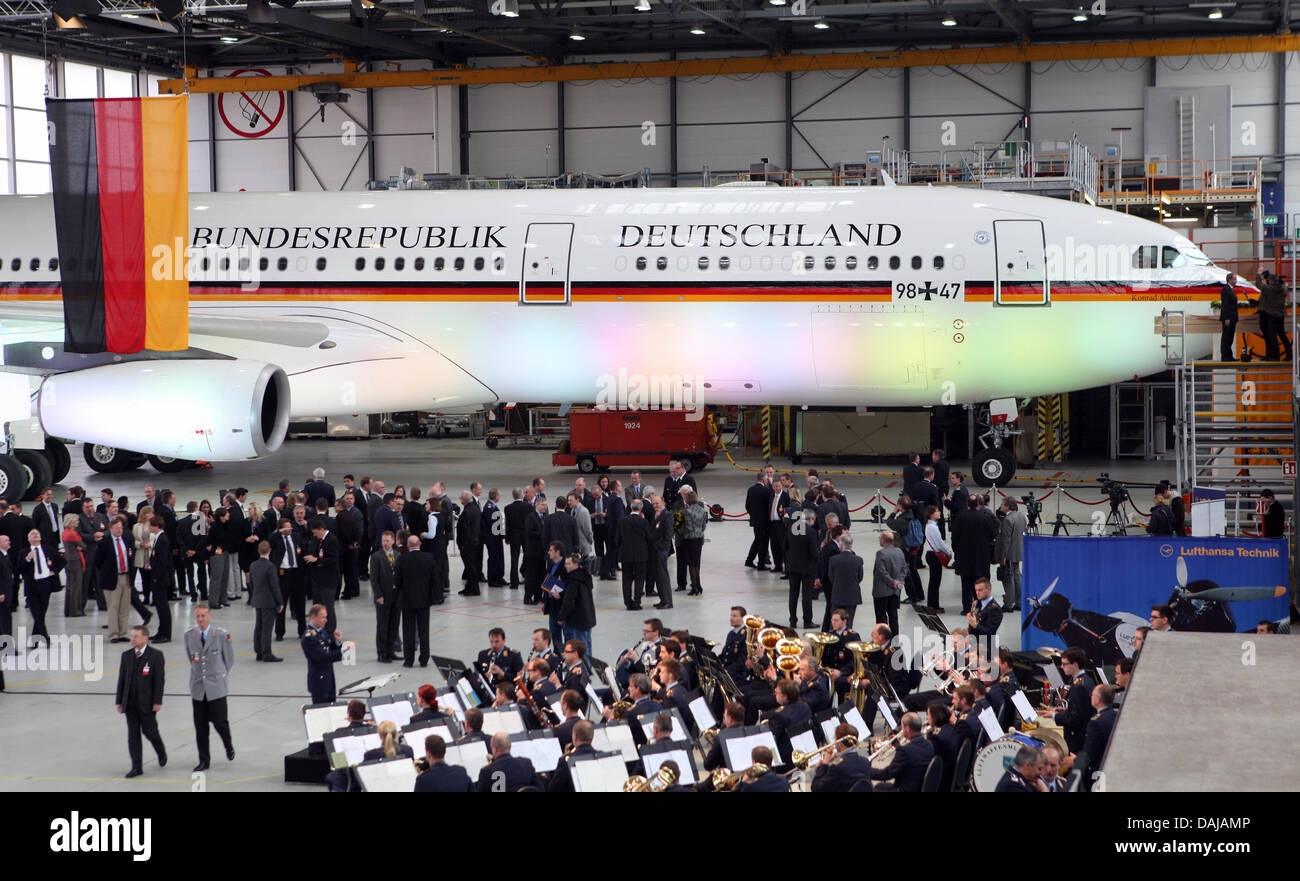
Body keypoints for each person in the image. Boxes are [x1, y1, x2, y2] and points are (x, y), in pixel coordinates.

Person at [182, 604, 237, 771]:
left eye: (203, 616)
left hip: (216, 687)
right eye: (197, 616)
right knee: (200, 726)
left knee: (220, 722)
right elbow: (191, 659)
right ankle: (204, 760)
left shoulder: (221, 635)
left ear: (209, 616)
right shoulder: (189, 636)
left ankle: (228, 745)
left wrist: (218, 675)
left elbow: (229, 659)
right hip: (199, 687)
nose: (200, 619)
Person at [116, 625, 167, 778]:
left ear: (145, 638)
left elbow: (159, 681)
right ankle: (137, 766)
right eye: (132, 636)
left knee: (150, 731)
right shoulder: (126, 656)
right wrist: (119, 701)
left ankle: (160, 750)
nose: (133, 639)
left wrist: (157, 701)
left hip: (147, 703)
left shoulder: (156, 656)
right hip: (130, 703)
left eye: (136, 636)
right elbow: (122, 680)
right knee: (133, 735)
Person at [396, 534, 437, 667]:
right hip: (424, 600)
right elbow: (434, 580)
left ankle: (409, 660)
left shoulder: (402, 559)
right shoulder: (429, 558)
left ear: (407, 546)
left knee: (408, 632)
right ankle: (424, 659)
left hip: (407, 601)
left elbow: (398, 581)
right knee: (424, 631)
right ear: (420, 544)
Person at [20, 527, 64, 648]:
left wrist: (54, 571)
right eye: (32, 534)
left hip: (45, 584)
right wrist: (27, 559)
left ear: (40, 537)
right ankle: (46, 637)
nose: (35, 535)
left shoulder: (48, 549)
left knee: (41, 613)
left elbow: (62, 561)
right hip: (32, 586)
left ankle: (36, 639)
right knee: (36, 613)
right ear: (28, 539)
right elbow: (19, 569)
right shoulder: (24, 552)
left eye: (37, 533)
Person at [869, 712, 935, 792]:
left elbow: (888, 774)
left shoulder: (905, 750)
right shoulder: (929, 745)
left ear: (907, 728)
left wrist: (867, 770)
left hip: (906, 788)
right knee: (882, 786)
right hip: (920, 787)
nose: (901, 730)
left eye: (902, 727)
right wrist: (897, 746)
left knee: (878, 787)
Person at [951, 498, 996, 613]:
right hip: (982, 556)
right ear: (978, 504)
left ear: (967, 504)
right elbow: (993, 534)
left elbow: (954, 536)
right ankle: (981, 607)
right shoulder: (985, 517)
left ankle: (967, 608)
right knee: (981, 582)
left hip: (964, 556)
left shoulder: (960, 517)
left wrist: (956, 550)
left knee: (966, 584)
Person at [302, 603, 353, 703]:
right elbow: (324, 657)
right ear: (313, 617)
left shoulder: (321, 631)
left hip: (328, 680)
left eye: (325, 617)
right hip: (319, 682)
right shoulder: (309, 637)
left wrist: (337, 642)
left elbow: (328, 648)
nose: (326, 620)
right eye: (322, 617)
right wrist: (343, 650)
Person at [1051, 647, 1096, 754]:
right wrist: (1063, 710)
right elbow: (1080, 708)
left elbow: (1076, 718)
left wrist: (1054, 716)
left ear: (1075, 664)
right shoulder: (1086, 680)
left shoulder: (1079, 686)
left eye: (1064, 664)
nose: (1061, 667)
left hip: (1077, 739)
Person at [303, 518, 341, 634]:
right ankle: (318, 629)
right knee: (317, 606)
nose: (314, 535)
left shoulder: (332, 540)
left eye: (315, 533)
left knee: (328, 606)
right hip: (317, 579)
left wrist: (317, 560)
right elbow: (312, 550)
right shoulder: (316, 539)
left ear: (322, 530)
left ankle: (330, 631)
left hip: (328, 580)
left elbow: (333, 559)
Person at [368, 530, 401, 663]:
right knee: (383, 625)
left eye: (387, 540)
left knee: (394, 624)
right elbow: (374, 578)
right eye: (383, 541)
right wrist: (378, 595)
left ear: (393, 541)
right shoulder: (376, 557)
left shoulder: (398, 556)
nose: (385, 543)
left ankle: (391, 650)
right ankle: (382, 652)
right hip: (383, 596)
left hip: (395, 596)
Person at [810, 722, 871, 792]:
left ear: (839, 743)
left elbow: (816, 788)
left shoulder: (837, 767)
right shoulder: (865, 762)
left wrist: (823, 765)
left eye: (835, 739)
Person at [249, 540, 284, 662]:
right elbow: (274, 586)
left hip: (257, 599)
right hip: (269, 601)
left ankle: (258, 651)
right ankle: (267, 653)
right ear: (269, 551)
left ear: (258, 551)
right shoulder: (270, 567)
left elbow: (252, 583)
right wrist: (280, 602)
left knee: (258, 626)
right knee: (267, 629)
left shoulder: (253, 565)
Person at [558, 552, 596, 657]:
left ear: (576, 564)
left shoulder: (573, 580)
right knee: (587, 645)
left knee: (580, 648)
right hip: (587, 617)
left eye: (568, 564)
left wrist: (561, 616)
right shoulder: (585, 577)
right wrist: (562, 594)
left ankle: (582, 671)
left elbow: (569, 601)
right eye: (565, 563)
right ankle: (587, 669)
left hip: (577, 620)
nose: (566, 566)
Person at [477, 731, 542, 792]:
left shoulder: (486, 772)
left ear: (495, 749)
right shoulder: (526, 764)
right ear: (510, 746)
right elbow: (540, 789)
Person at [617, 500, 652, 610]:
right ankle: (637, 602)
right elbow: (649, 538)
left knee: (626, 579)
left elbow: (617, 539)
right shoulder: (643, 522)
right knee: (639, 579)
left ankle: (628, 602)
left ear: (631, 508)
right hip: (641, 555)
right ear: (641, 509)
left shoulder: (621, 521)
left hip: (626, 554)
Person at [143, 516, 174, 642]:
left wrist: (155, 577)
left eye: (151, 525)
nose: (149, 528)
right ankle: (161, 631)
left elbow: (162, 561)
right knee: (160, 607)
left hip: (159, 579)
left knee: (163, 607)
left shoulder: (162, 540)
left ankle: (165, 634)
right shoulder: (158, 538)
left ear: (157, 526)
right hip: (157, 577)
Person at [825, 531, 864, 630]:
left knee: (835, 622)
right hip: (852, 596)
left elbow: (831, 577)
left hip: (837, 594)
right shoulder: (858, 560)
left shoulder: (833, 560)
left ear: (841, 545)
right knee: (848, 622)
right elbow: (860, 577)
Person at [1081, 684, 1118, 786]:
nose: (1091, 697)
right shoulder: (1116, 715)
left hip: (1095, 773)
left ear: (1098, 700)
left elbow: (1089, 753)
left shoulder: (1095, 723)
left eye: (1093, 695)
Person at [872, 530, 907, 637]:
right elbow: (904, 568)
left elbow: (882, 572)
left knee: (881, 617)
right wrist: (899, 581)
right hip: (895, 592)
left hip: (882, 591)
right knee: (893, 616)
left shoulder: (881, 553)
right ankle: (895, 639)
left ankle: (883, 638)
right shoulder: (899, 552)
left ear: (883, 540)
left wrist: (893, 582)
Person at [1256, 270, 1292, 360]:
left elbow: (1259, 285)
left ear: (1270, 281)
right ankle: (1289, 354)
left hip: (1271, 315)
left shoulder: (1269, 289)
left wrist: (1258, 275)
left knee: (1272, 336)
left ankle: (1275, 355)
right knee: (1282, 335)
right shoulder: (1283, 289)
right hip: (1281, 315)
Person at [678, 490, 708, 596]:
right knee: (696, 562)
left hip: (689, 539)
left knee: (691, 564)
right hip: (699, 538)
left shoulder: (687, 511)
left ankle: (694, 587)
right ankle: (699, 585)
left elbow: (689, 527)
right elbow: (704, 526)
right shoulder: (703, 510)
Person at [648, 494, 674, 609]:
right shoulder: (656, 515)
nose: (655, 505)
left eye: (657, 503)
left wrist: (662, 548)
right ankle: (663, 600)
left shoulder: (667, 516)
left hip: (661, 551)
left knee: (663, 576)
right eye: (653, 503)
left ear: (663, 502)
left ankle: (668, 601)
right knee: (658, 576)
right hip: (655, 550)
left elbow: (668, 535)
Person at [743, 474, 774, 569]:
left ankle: (749, 560)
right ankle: (761, 564)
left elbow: (747, 506)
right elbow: (770, 506)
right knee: (763, 543)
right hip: (764, 521)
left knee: (757, 541)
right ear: (764, 480)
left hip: (755, 521)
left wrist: (753, 515)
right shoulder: (766, 490)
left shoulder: (751, 489)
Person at [503, 488, 532, 591]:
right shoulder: (528, 506)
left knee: (514, 558)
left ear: (513, 496)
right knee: (527, 556)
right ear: (521, 495)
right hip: (526, 534)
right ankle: (528, 579)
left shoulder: (508, 508)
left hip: (514, 535)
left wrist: (507, 537)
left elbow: (508, 525)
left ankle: (514, 582)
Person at [61, 513, 87, 618]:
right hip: (75, 560)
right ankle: (75, 610)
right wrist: (80, 547)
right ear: (72, 522)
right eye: (76, 520)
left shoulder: (64, 533)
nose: (78, 522)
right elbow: (83, 546)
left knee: (70, 585)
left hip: (67, 559)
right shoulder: (73, 534)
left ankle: (68, 609)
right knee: (76, 586)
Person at [1220, 272, 1239, 361]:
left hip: (1232, 317)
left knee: (1230, 337)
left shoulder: (1230, 289)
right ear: (1229, 280)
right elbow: (1225, 305)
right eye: (1234, 279)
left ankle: (1229, 355)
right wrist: (1226, 318)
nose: (1236, 281)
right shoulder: (1226, 289)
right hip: (1228, 318)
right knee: (1226, 337)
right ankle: (1225, 356)